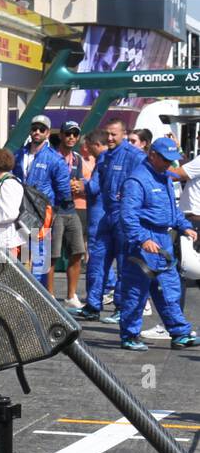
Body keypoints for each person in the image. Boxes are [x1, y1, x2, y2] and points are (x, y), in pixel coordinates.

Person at [117, 137, 200, 351]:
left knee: (168, 289)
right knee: (136, 292)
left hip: (163, 243)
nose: (169, 164)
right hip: (144, 244)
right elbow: (128, 216)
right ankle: (130, 335)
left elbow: (171, 210)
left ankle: (179, 332)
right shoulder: (137, 181)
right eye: (165, 159)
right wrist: (143, 239)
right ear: (152, 155)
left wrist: (184, 226)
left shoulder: (163, 177)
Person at [93, 119, 148, 327]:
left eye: (113, 134)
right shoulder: (106, 156)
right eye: (107, 134)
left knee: (125, 263)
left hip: (124, 216)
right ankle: (93, 304)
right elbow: (98, 182)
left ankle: (121, 307)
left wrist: (129, 197)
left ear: (123, 134)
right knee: (97, 259)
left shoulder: (135, 156)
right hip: (107, 214)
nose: (109, 138)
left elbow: (145, 180)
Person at [13, 114, 72, 292]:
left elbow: (64, 190)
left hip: (41, 212)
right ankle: (22, 293)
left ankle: (39, 296)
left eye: (41, 129)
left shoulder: (54, 158)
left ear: (47, 133)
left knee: (39, 255)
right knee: (21, 253)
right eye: (34, 128)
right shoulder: (19, 154)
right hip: (19, 210)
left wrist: (53, 210)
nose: (37, 132)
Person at [71, 128, 117, 320]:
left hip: (100, 218)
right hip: (108, 216)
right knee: (104, 262)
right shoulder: (113, 158)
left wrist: (82, 185)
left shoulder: (104, 160)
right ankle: (98, 302)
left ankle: (93, 305)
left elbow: (95, 187)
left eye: (89, 148)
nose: (87, 151)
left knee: (97, 262)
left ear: (97, 145)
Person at [51, 121, 88, 309]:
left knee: (78, 251)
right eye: (68, 133)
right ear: (61, 135)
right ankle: (48, 296)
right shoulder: (51, 156)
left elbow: (79, 181)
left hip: (71, 208)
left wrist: (78, 185)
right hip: (54, 209)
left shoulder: (77, 159)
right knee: (52, 255)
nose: (71, 137)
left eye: (75, 134)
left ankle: (71, 295)